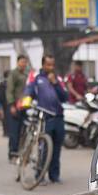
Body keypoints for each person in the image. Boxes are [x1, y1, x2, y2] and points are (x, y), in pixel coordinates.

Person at [24, 54, 68, 183]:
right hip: (45, 118)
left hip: (59, 117)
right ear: (43, 65)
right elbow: (29, 92)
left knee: (57, 148)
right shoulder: (37, 79)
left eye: (52, 64)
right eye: (48, 64)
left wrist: (55, 83)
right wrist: (25, 102)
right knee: (44, 147)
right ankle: (40, 175)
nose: (51, 67)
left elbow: (64, 97)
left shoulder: (58, 79)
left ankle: (54, 175)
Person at [5, 54, 31, 162]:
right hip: (15, 106)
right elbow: (9, 90)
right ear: (17, 62)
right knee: (14, 132)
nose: (23, 64)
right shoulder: (13, 74)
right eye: (22, 62)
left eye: (25, 62)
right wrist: (11, 105)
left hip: (25, 106)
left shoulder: (27, 74)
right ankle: (13, 153)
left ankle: (22, 152)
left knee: (24, 131)